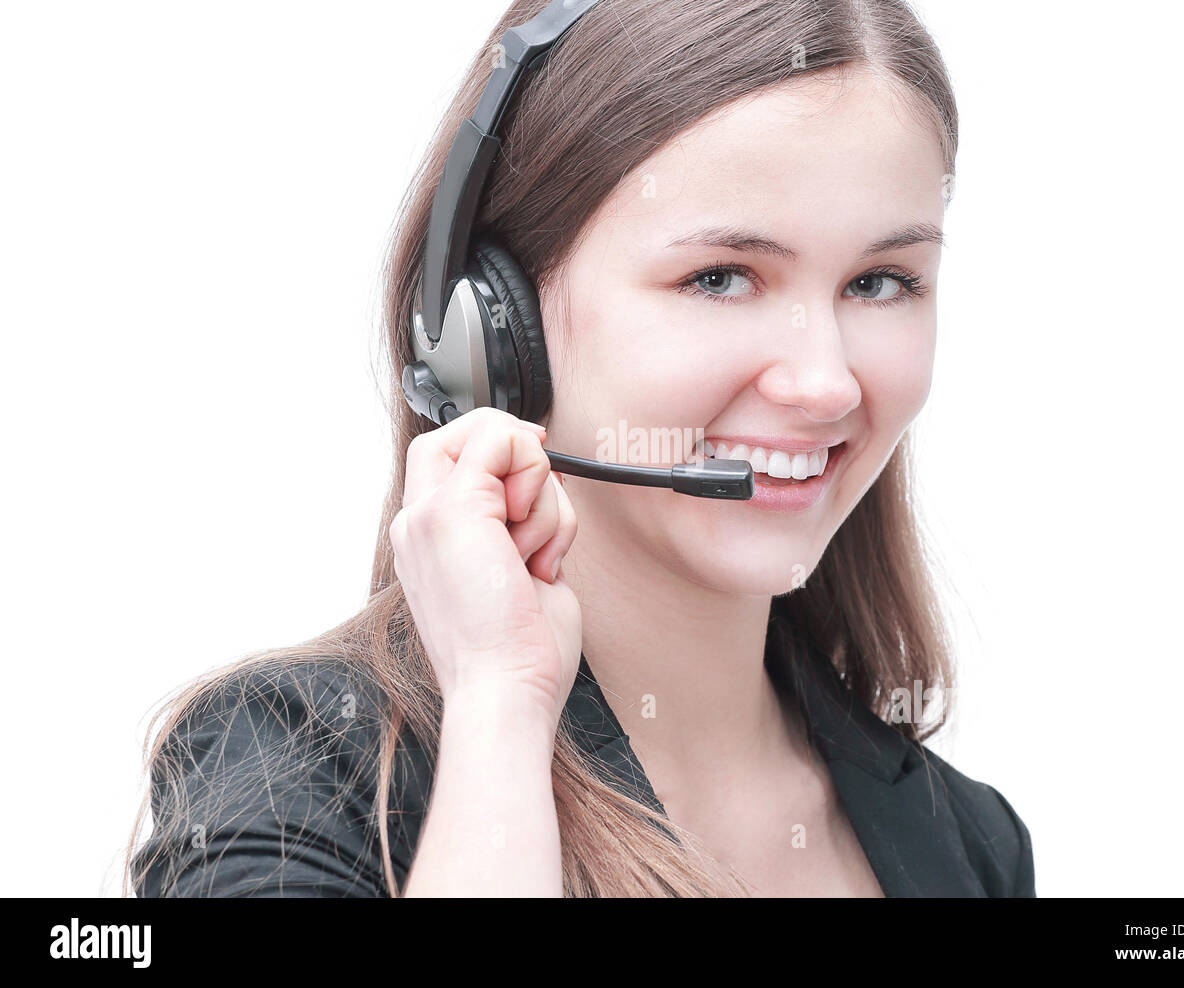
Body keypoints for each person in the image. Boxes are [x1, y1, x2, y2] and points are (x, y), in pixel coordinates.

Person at [126, 0, 1035, 898]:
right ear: (488, 332)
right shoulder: (292, 778)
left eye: (880, 282)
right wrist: (501, 710)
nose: (825, 382)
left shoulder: (971, 844)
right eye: (719, 278)